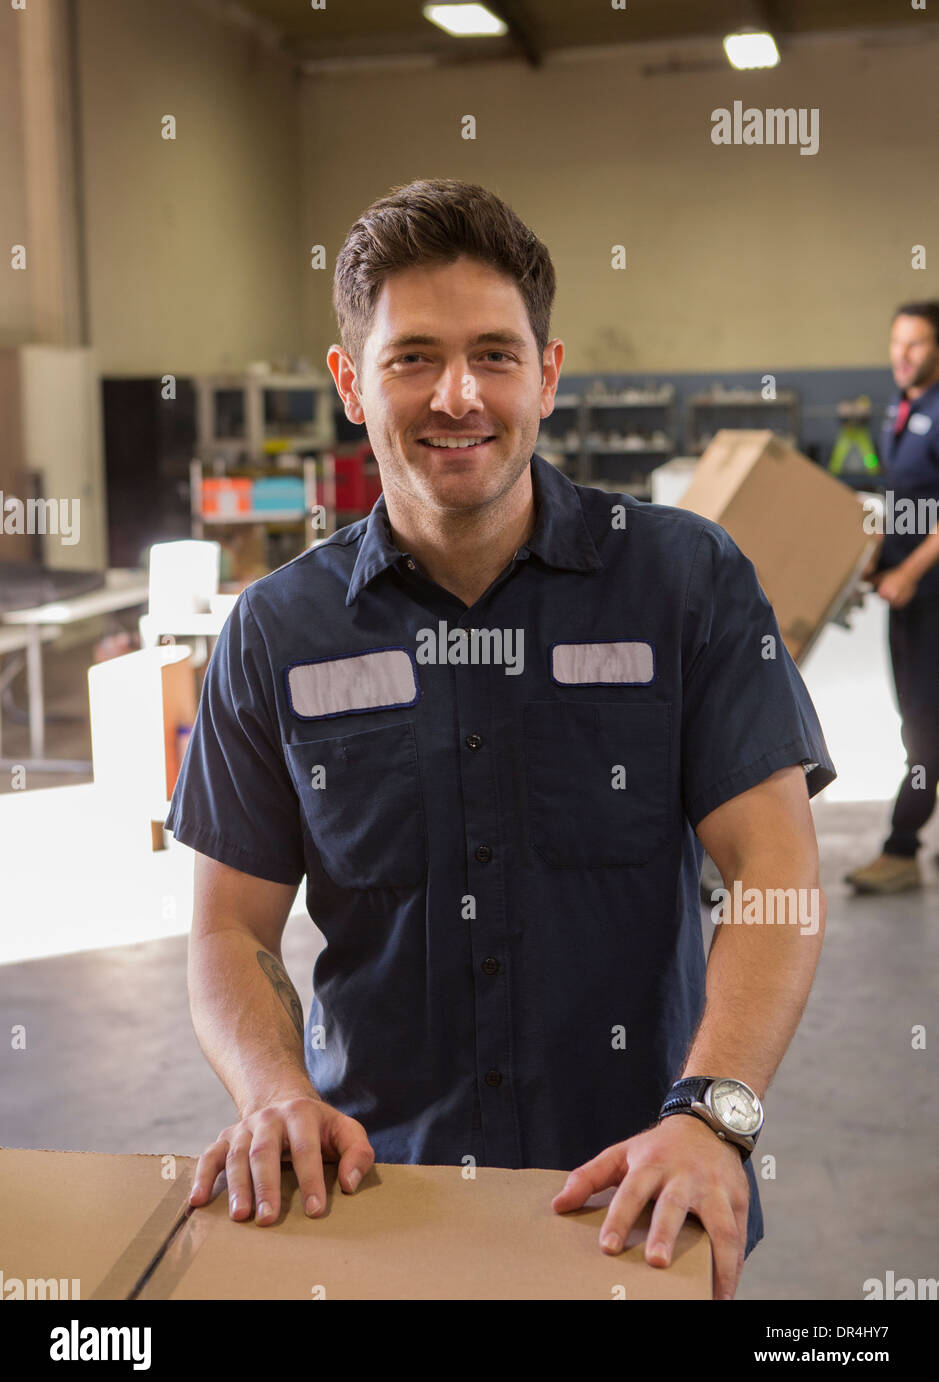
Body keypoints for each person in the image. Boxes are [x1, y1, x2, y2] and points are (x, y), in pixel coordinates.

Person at [166, 178, 836, 1300]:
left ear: (549, 374)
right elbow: (229, 929)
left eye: (494, 353)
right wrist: (273, 1091)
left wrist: (714, 1112)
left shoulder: (681, 583)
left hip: (641, 1197)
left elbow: (776, 869)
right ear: (350, 382)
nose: (458, 395)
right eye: (412, 356)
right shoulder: (275, 632)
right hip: (382, 1208)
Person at [845, 302, 939, 893]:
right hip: (908, 594)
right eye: (896, 343)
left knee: (925, 725)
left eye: (918, 344)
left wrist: (915, 570)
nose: (902, 356)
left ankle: (901, 848)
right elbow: (905, 502)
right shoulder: (898, 412)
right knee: (919, 713)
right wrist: (875, 558)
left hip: (933, 594)